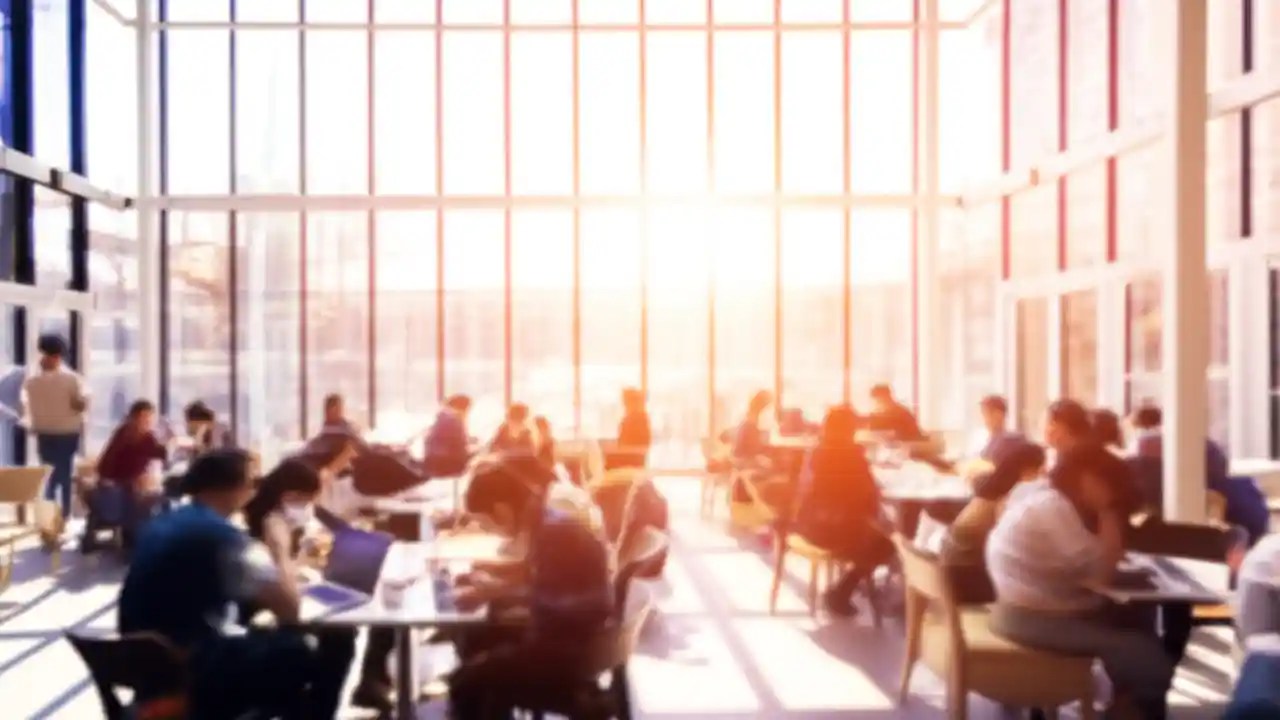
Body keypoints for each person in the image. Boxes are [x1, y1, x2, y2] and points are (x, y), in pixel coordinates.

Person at [119, 450, 354, 719]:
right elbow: (291, 609)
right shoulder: (226, 539)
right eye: (253, 483)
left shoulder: (163, 523)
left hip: (145, 666)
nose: (257, 490)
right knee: (314, 645)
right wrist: (279, 547)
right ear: (234, 488)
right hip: (195, 672)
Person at [986, 444, 1171, 720]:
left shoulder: (1041, 496)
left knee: (1139, 618)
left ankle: (1130, 702)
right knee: (1143, 650)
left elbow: (1091, 566)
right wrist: (1107, 509)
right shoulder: (1053, 511)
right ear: (1089, 478)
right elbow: (1101, 572)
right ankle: (1136, 700)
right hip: (1032, 616)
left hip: (1022, 604)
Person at [448, 481, 613, 720]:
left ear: (501, 510)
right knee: (475, 640)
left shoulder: (556, 535)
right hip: (573, 635)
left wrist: (494, 593)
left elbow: (546, 595)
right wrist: (490, 579)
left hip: (564, 651)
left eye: (488, 524)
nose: (496, 533)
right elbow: (538, 576)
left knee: (466, 682)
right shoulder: (551, 523)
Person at [242, 459, 395, 713]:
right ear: (288, 496)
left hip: (281, 602)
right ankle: (323, 710)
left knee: (348, 629)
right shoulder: (262, 528)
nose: (309, 508)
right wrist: (282, 551)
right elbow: (280, 597)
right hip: (264, 615)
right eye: (306, 500)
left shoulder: (277, 522)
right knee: (342, 636)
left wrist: (302, 565)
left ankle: (351, 695)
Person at [792, 405, 893, 617]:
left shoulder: (816, 452)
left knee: (874, 535)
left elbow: (805, 488)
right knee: (887, 544)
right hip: (836, 529)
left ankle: (845, 587)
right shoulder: (852, 456)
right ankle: (842, 590)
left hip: (809, 524)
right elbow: (868, 493)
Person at [934, 441, 1046, 604]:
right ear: (1027, 470)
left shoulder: (991, 489)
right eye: (1040, 470)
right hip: (965, 582)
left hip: (948, 573)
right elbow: (1010, 542)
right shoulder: (1006, 498)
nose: (1042, 477)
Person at [21, 334, 88, 521]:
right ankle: (64, 516)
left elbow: (26, 407)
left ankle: (49, 517)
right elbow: (80, 404)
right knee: (64, 475)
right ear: (58, 356)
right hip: (67, 432)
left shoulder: (32, 381)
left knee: (49, 476)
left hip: (44, 433)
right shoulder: (71, 379)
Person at [86, 400, 168, 551]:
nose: (148, 421)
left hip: (116, 491)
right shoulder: (133, 436)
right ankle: (140, 543)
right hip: (116, 493)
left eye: (149, 417)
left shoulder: (133, 434)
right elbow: (162, 453)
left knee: (152, 497)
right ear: (134, 417)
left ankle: (137, 542)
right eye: (145, 417)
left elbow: (160, 453)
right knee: (151, 499)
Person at [424, 394, 473, 477]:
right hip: (449, 462)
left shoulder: (440, 417)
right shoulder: (456, 419)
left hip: (432, 461)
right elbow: (461, 445)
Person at [973, 395, 1025, 465]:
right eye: (983, 414)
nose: (985, 419)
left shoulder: (1013, 441)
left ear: (999, 414)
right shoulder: (985, 442)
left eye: (987, 414)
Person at [614, 387, 652, 469]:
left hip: (632, 460)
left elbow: (643, 442)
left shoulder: (639, 419)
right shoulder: (631, 417)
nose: (624, 404)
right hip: (630, 459)